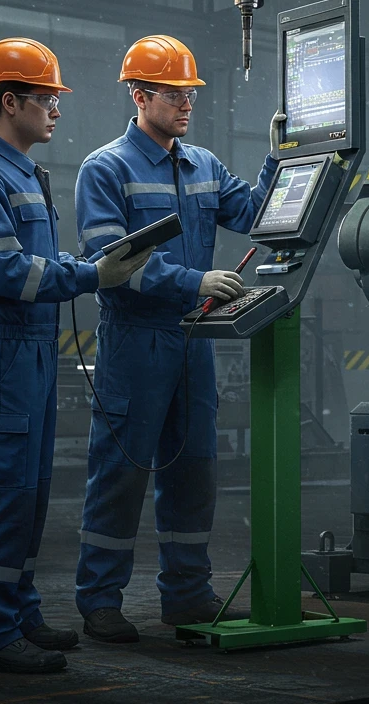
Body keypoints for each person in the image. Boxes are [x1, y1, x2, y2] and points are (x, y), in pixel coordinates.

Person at [0, 37, 152, 674]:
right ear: (10, 103)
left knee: (29, 495)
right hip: (5, 352)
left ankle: (17, 610)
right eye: (45, 99)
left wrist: (87, 272)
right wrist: (93, 274)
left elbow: (29, 269)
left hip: (31, 351)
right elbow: (8, 273)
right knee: (5, 494)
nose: (56, 110)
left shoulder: (20, 172)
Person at [73, 33, 283, 643]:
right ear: (139, 95)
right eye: (174, 93)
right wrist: (196, 281)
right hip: (135, 343)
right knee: (121, 472)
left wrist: (280, 157)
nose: (187, 103)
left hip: (194, 342)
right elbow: (113, 259)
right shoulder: (105, 169)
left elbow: (258, 214)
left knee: (194, 470)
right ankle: (99, 601)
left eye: (190, 92)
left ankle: (187, 595)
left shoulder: (204, 165)